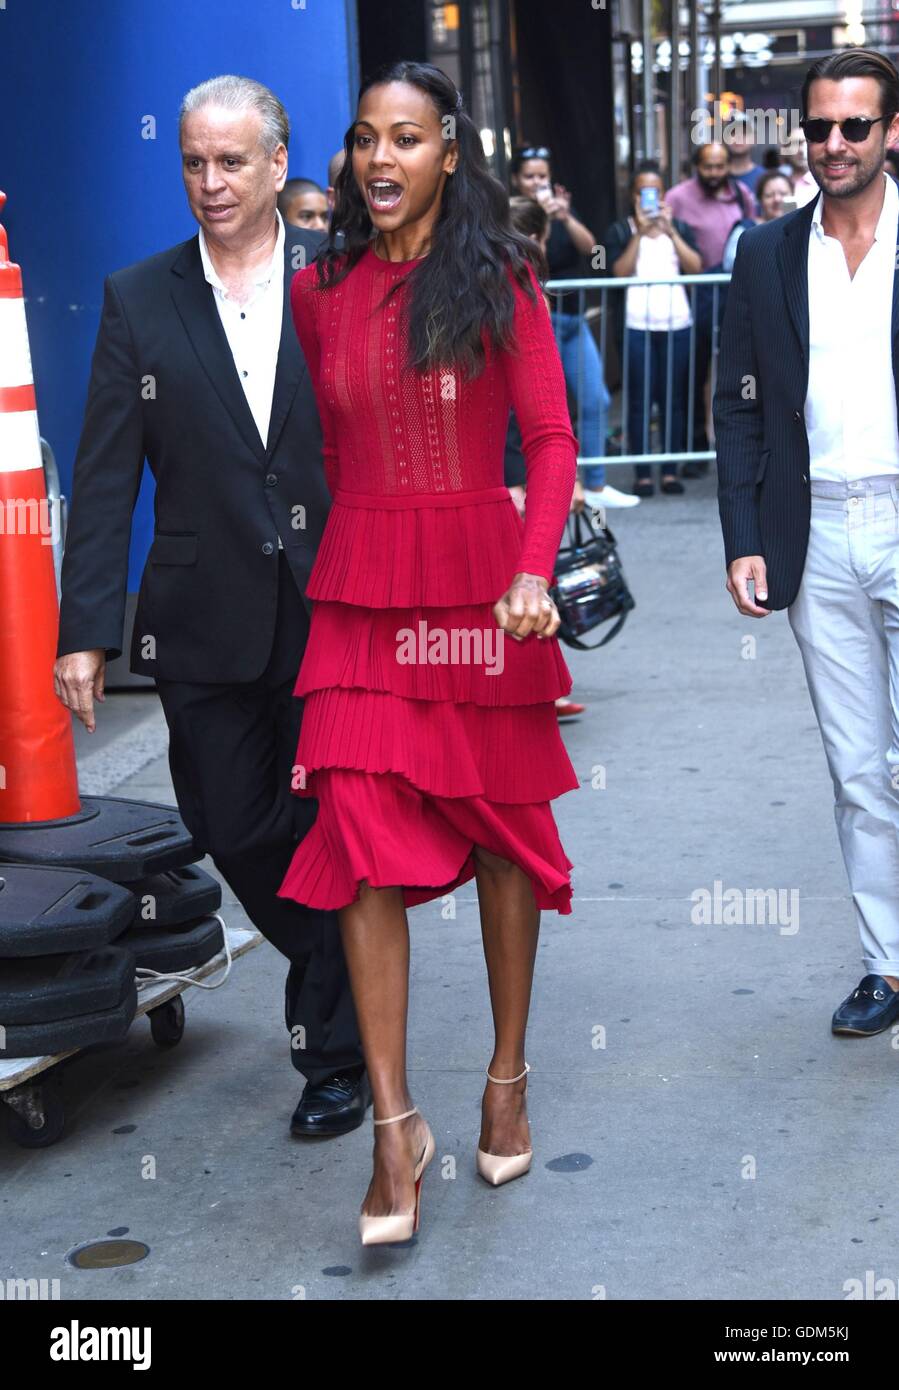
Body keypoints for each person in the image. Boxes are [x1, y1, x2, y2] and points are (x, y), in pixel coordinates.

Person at [278, 60, 579, 1245]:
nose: (382, 159)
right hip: (361, 595)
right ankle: (393, 1125)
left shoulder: (500, 278)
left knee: (503, 834)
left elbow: (549, 439)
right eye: (365, 140)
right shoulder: (323, 287)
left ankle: (505, 1073)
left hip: (478, 587)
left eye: (406, 137)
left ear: (449, 151)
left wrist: (531, 570)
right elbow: (322, 450)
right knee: (354, 830)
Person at [53, 75, 368, 1139]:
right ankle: (339, 951)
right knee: (230, 821)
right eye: (193, 161)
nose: (211, 181)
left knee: (333, 819)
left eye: (231, 161)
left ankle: (333, 1054)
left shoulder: (342, 278)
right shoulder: (138, 296)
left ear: (279, 165)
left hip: (337, 601)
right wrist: (86, 629)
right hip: (199, 616)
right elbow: (104, 475)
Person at [714, 48, 899, 1039]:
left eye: (852, 127)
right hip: (816, 531)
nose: (831, 144)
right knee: (857, 770)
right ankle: (887, 965)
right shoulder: (765, 252)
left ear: (890, 131)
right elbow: (734, 402)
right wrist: (743, 534)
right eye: (817, 127)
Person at [510, 146, 638, 509]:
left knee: (596, 398)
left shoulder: (560, 211)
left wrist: (564, 218)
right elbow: (531, 264)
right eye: (530, 176)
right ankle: (552, 485)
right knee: (545, 410)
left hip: (571, 318)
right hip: (537, 320)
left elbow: (594, 253)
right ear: (517, 180)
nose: (538, 183)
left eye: (542, 176)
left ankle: (595, 486)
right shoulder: (515, 216)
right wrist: (542, 228)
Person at [506, 194, 586, 719]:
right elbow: (508, 412)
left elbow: (551, 414)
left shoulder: (531, 288)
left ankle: (541, 683)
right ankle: (533, 686)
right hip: (510, 463)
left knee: (535, 570)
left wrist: (566, 475)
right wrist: (512, 479)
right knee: (519, 573)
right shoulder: (500, 289)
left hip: (538, 455)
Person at [603, 161, 702, 495]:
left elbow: (696, 266)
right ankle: (643, 472)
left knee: (672, 399)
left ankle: (670, 470)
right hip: (636, 326)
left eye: (656, 192)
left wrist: (670, 231)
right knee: (640, 401)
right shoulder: (620, 231)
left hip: (677, 324)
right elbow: (617, 272)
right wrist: (640, 233)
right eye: (643, 192)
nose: (650, 198)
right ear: (633, 196)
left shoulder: (680, 228)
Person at [667, 142, 756, 473]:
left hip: (735, 291)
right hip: (694, 295)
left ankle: (734, 447)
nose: (716, 173)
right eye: (709, 167)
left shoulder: (742, 193)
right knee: (694, 371)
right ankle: (694, 447)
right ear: (696, 166)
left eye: (721, 166)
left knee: (735, 371)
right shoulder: (677, 197)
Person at [721, 170, 793, 270]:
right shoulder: (745, 229)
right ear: (760, 200)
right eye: (769, 195)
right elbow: (730, 264)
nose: (777, 199)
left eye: (783, 194)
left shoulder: (802, 227)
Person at [727, 112, 764, 199]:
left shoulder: (763, 178)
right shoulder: (716, 176)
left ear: (755, 140)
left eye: (744, 133)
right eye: (733, 132)